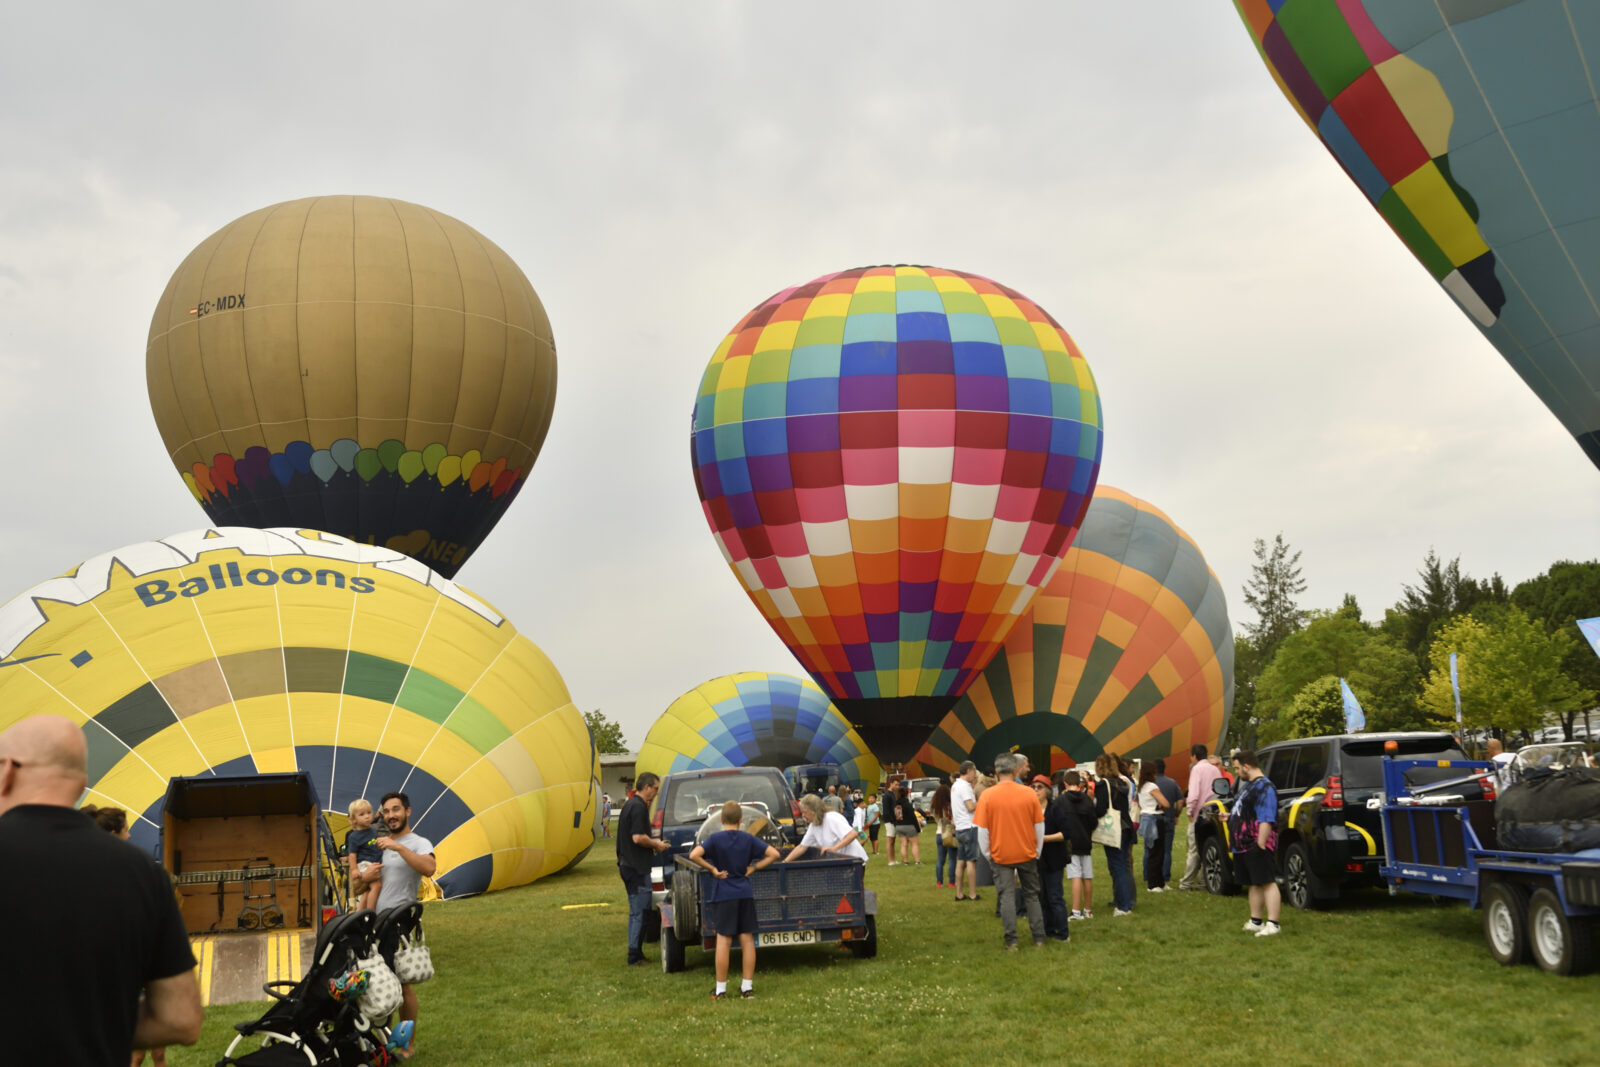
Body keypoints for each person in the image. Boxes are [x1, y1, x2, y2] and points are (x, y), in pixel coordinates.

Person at [0, 715, 201, 1065]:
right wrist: (93, 1026)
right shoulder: (143, 874)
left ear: (7, 770)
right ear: (81, 785)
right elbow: (180, 1019)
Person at [352, 791, 435, 1056]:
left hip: (396, 923)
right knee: (371, 984)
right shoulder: (374, 842)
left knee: (401, 984)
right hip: (370, 923)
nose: (391, 816)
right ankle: (377, 1041)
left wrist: (398, 846)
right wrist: (364, 876)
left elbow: (429, 868)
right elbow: (355, 887)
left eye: (396, 810)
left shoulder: (418, 842)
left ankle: (406, 1045)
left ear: (407, 811)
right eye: (386, 811)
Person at [689, 800, 781, 999]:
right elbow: (774, 853)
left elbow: (694, 854)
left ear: (721, 820)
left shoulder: (715, 839)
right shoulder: (748, 839)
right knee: (747, 940)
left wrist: (712, 869)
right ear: (741, 820)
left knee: (723, 941)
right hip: (744, 892)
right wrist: (754, 868)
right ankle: (747, 988)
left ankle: (721, 990)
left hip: (724, 894)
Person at [973, 753, 1046, 949]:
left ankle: (1011, 941)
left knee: (1006, 896)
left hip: (1000, 854)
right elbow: (1039, 826)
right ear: (1015, 770)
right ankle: (1039, 938)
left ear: (996, 771)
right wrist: (1037, 851)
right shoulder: (1029, 793)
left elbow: (982, 830)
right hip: (1027, 852)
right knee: (1032, 895)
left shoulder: (987, 795)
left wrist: (988, 854)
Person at [616, 771, 670, 966]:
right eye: (655, 788)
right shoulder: (638, 807)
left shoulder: (629, 805)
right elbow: (638, 837)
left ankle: (635, 951)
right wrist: (657, 845)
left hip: (628, 865)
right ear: (646, 787)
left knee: (635, 912)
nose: (656, 792)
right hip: (636, 868)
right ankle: (634, 956)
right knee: (641, 912)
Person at [1229, 749, 1281, 937]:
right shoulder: (1250, 786)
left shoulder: (1264, 787)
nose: (1236, 772)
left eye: (1237, 768)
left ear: (1247, 766)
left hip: (1256, 843)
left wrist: (1260, 843)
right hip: (1244, 844)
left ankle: (1273, 923)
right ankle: (1256, 920)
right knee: (1254, 882)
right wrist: (1229, 816)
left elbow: (1266, 817)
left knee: (1267, 881)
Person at [1093, 752, 1136, 916]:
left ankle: (1123, 906)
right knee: (1123, 866)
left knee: (1117, 867)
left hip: (1113, 829)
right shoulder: (1122, 783)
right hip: (1126, 827)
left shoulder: (1104, 785)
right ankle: (1124, 901)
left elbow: (1101, 809)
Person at [1178, 744, 1223, 891]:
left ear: (1194, 756)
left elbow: (1194, 794)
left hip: (1198, 814)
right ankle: (1204, 882)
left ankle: (1187, 883)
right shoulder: (1215, 770)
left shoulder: (1197, 769)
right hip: (1213, 813)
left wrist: (1190, 811)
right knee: (1207, 848)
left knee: (1194, 849)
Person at [1034, 775, 1070, 941]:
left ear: (1047, 791)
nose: (1036, 790)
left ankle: (1063, 932)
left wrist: (1044, 838)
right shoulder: (1031, 809)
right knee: (1042, 897)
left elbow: (1066, 833)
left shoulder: (1055, 809)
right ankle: (1048, 930)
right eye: (1033, 787)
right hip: (1037, 860)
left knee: (1055, 896)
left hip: (1054, 858)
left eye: (1039, 787)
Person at [785, 793, 869, 863]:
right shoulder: (813, 825)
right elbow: (802, 847)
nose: (803, 815)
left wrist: (834, 849)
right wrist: (785, 862)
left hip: (855, 860)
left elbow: (852, 834)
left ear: (813, 810)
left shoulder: (832, 817)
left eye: (805, 812)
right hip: (842, 862)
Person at [1058, 770, 1096, 920]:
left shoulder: (1061, 800)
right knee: (1087, 876)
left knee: (1075, 876)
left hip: (1070, 842)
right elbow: (1093, 821)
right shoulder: (1086, 799)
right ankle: (1087, 910)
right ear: (1079, 783)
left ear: (1066, 784)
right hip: (1085, 841)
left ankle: (1075, 911)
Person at [1136, 763, 1171, 892]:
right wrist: (1160, 805)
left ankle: (1159, 882)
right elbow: (1165, 803)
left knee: (1152, 850)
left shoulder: (1141, 787)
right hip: (1155, 819)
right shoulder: (1152, 786)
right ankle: (1154, 884)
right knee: (1157, 852)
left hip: (1146, 817)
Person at [344, 798, 384, 910]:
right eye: (361, 814)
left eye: (369, 813)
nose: (367, 816)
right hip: (364, 864)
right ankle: (371, 912)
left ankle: (360, 913)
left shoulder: (372, 830)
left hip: (373, 861)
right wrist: (354, 870)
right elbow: (352, 855)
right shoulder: (354, 836)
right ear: (354, 819)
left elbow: (373, 844)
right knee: (377, 886)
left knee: (367, 891)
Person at [950, 761, 980, 901]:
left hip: (960, 827)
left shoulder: (955, 785)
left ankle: (959, 893)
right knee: (971, 862)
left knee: (960, 861)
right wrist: (982, 802)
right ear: (968, 771)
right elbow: (970, 806)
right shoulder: (965, 786)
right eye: (974, 771)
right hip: (969, 827)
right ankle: (973, 894)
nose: (975, 774)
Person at [1152, 758, 1182, 889]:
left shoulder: (1149, 784)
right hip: (1168, 819)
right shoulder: (1172, 783)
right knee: (1166, 850)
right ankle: (1165, 876)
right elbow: (1180, 802)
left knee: (1150, 849)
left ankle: (1149, 874)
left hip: (1152, 819)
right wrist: (1176, 814)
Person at [930, 783, 957, 889]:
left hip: (938, 833)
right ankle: (951, 882)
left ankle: (939, 882)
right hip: (949, 833)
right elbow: (951, 820)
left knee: (940, 860)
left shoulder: (935, 806)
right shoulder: (950, 806)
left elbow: (937, 820)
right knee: (951, 859)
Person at [892, 784, 921, 866]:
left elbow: (897, 816)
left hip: (899, 826)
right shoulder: (907, 804)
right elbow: (913, 817)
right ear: (906, 794)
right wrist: (917, 828)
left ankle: (905, 861)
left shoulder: (896, 805)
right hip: (909, 826)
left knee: (903, 844)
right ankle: (917, 861)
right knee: (914, 844)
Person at [864, 792, 882, 856]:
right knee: (872, 838)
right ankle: (873, 850)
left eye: (872, 798)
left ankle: (876, 851)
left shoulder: (875, 806)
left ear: (875, 799)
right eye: (870, 798)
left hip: (875, 824)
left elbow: (876, 816)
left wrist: (871, 822)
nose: (871, 799)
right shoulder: (869, 806)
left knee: (875, 838)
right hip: (870, 824)